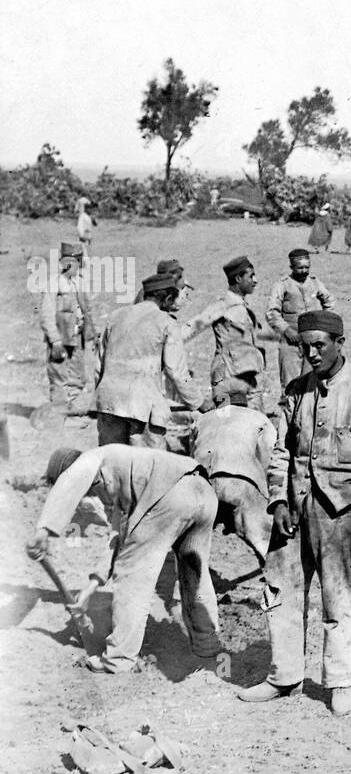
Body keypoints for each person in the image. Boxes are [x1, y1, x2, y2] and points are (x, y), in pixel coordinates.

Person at [237, 311, 351, 715]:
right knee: (281, 590)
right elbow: (281, 450)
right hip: (294, 508)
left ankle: (339, 682)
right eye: (305, 346)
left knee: (336, 595)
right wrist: (279, 501)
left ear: (340, 342)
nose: (312, 353)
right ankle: (284, 676)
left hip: (338, 511)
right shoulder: (296, 389)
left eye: (320, 344)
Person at [26, 443, 221, 673]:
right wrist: (90, 589)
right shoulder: (123, 471)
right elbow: (117, 540)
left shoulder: (92, 458)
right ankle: (207, 644)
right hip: (203, 492)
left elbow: (72, 479)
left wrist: (44, 531)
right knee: (194, 571)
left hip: (172, 494)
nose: (86, 495)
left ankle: (118, 659)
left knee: (133, 573)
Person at [92, 272, 201, 446]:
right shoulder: (166, 323)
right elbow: (177, 372)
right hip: (143, 407)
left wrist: (100, 398)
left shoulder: (115, 316)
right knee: (147, 466)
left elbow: (99, 366)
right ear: (167, 299)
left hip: (109, 403)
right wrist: (197, 402)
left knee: (113, 465)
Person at [190, 401, 277, 568]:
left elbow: (192, 452)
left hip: (204, 482)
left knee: (194, 540)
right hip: (240, 482)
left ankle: (193, 585)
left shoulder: (203, 418)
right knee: (261, 538)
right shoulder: (259, 418)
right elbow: (269, 458)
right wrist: (268, 496)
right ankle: (273, 577)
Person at [183, 256, 267, 411]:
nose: (255, 280)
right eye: (251, 276)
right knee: (226, 425)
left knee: (256, 425)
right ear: (238, 278)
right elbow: (192, 328)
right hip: (227, 377)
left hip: (249, 377)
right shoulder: (222, 306)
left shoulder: (243, 306)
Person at [266, 249, 334, 391]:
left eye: (307, 267)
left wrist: (323, 325)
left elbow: (330, 302)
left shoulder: (315, 283)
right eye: (300, 268)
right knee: (290, 383)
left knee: (312, 382)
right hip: (291, 342)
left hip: (313, 342)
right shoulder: (282, 285)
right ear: (291, 267)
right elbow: (272, 312)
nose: (304, 271)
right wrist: (286, 330)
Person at [39, 241, 95, 406]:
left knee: (78, 376)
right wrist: (55, 340)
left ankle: (73, 412)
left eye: (78, 260)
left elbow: (87, 310)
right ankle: (58, 414)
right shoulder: (53, 284)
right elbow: (46, 315)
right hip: (60, 339)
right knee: (58, 376)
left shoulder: (81, 282)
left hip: (77, 338)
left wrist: (92, 333)